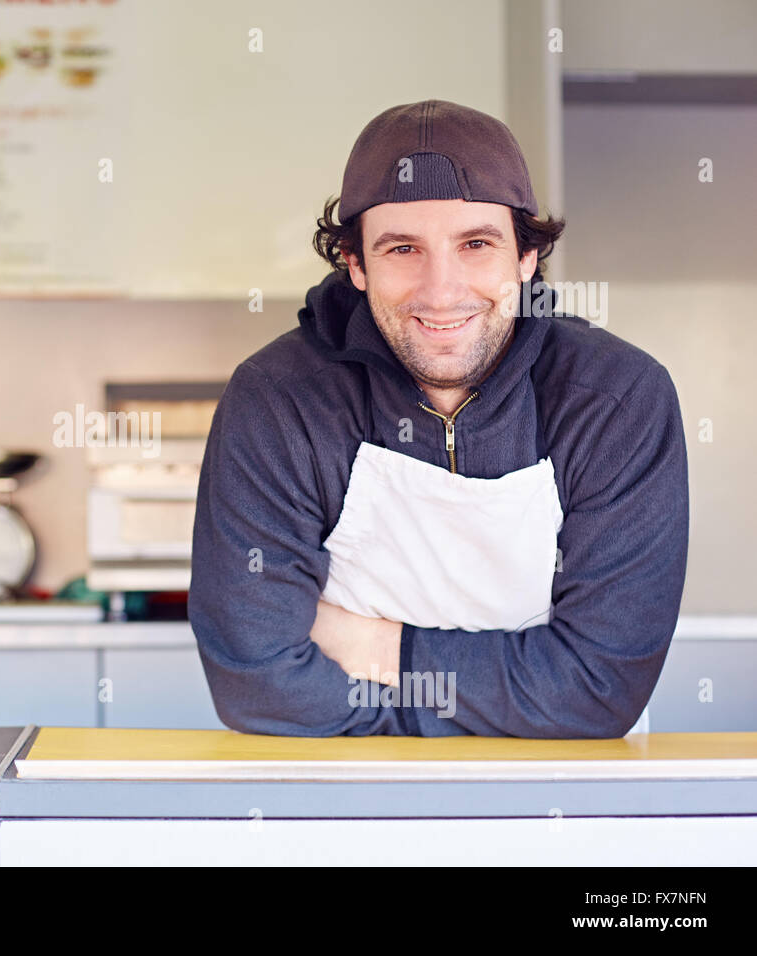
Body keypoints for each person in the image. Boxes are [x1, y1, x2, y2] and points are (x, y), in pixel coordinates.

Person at [188, 99, 688, 738]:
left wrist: (371, 644)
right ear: (356, 265)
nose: (441, 290)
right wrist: (526, 694)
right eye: (402, 249)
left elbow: (596, 692)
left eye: (476, 244)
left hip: (569, 807)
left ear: (526, 259)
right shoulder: (279, 400)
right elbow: (258, 685)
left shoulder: (617, 400)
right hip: (343, 811)